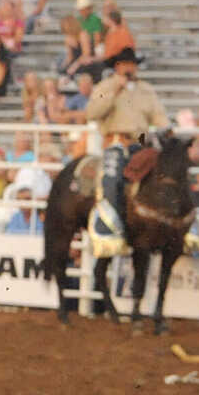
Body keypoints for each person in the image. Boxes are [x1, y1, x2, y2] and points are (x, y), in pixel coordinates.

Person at [84, 46, 169, 254]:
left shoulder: (146, 90)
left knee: (167, 175)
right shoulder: (105, 86)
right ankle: (108, 228)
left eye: (132, 64)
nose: (130, 68)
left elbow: (159, 116)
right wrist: (115, 90)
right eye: (125, 64)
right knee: (112, 178)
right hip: (116, 141)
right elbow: (92, 113)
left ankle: (166, 227)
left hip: (141, 143)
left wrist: (168, 130)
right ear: (117, 67)